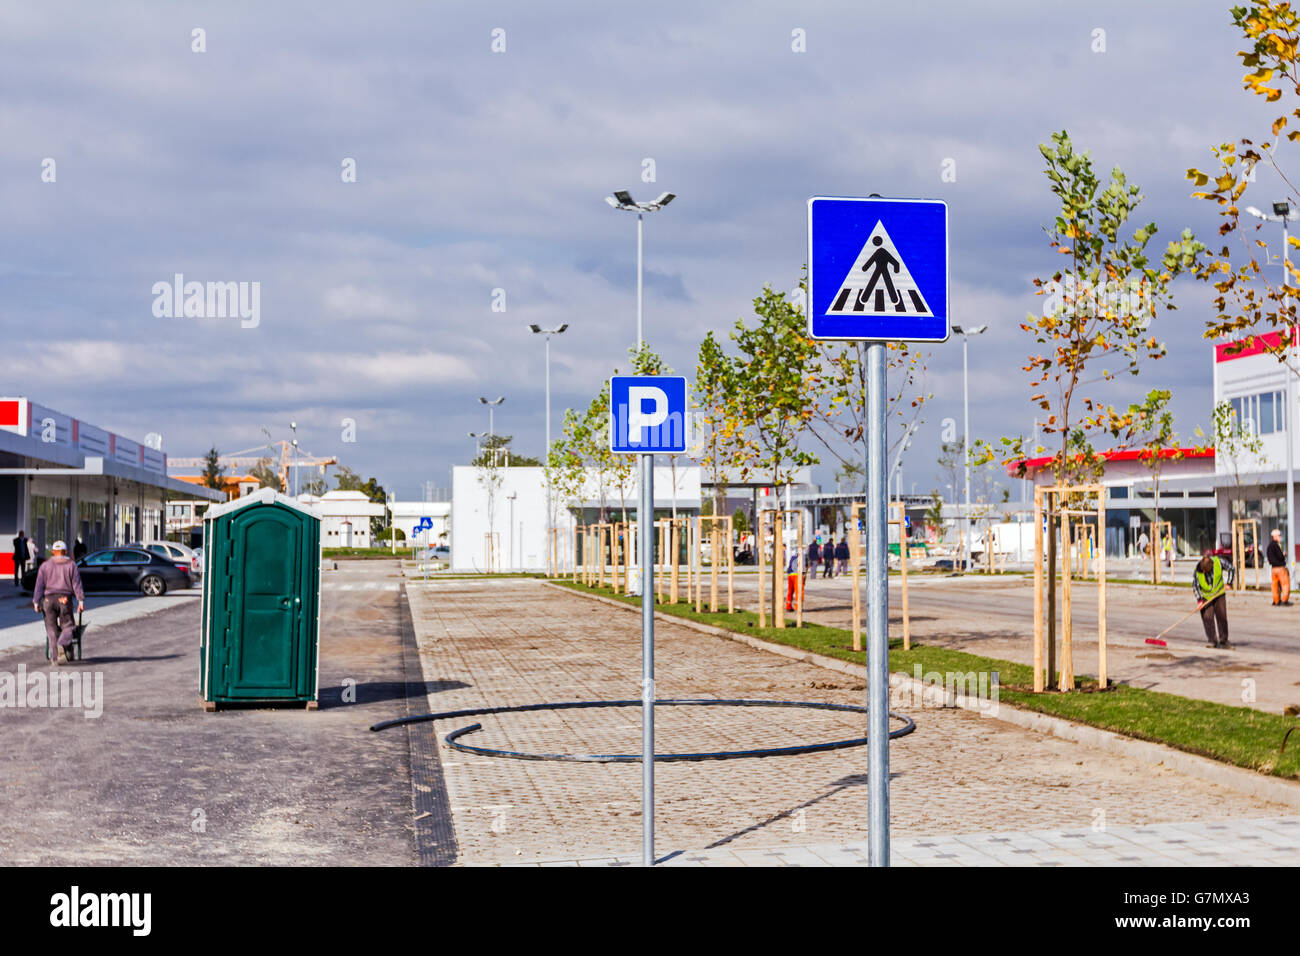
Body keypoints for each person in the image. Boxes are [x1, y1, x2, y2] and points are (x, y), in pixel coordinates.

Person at [31, 540, 84, 666]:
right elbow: (77, 584)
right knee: (68, 625)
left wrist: (36, 602)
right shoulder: (71, 565)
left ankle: (55, 657)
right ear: (65, 552)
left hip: (48, 599)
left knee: (51, 628)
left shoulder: (45, 566)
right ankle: (62, 643)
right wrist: (80, 601)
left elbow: (39, 585)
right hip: (64, 599)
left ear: (53, 552)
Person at [1192, 548, 1235, 650]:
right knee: (1207, 618)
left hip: (1219, 594)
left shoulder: (1219, 562)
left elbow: (1231, 569)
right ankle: (1212, 640)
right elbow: (1195, 586)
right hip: (1206, 597)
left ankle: (1224, 640)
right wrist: (1199, 600)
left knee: (1222, 617)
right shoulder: (1198, 570)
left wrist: (1229, 583)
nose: (1203, 572)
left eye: (1205, 571)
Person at [1267, 528, 1291, 607]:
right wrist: (1284, 555)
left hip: (1273, 569)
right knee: (1285, 584)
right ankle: (1284, 600)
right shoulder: (1276, 546)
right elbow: (1280, 556)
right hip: (1280, 568)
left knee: (1274, 586)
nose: (1280, 537)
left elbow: (1269, 557)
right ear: (1275, 536)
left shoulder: (1269, 546)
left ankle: (1276, 601)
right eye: (1279, 535)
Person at [784, 548, 802, 612]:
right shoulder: (802, 557)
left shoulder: (793, 557)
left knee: (790, 591)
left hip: (790, 574)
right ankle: (798, 606)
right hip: (797, 575)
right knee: (798, 591)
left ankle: (788, 606)